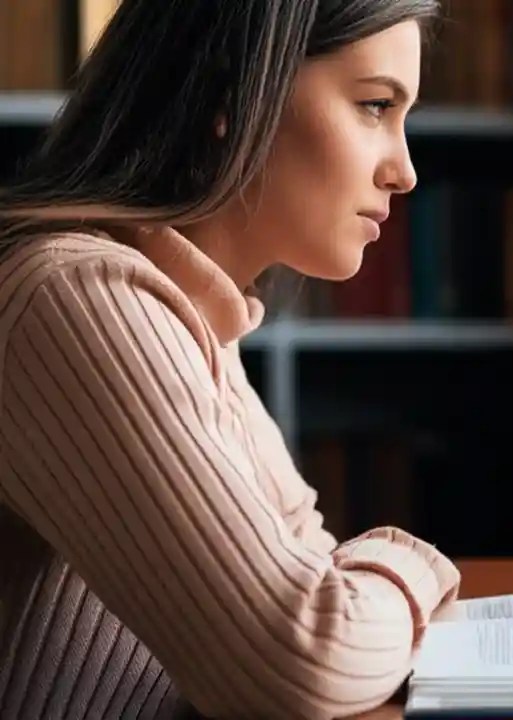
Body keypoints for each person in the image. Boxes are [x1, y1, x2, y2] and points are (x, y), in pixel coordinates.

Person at [0, 2, 462, 718]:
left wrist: (358, 592)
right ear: (233, 96)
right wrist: (420, 566)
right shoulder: (79, 296)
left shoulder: (194, 315)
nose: (403, 171)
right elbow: (304, 654)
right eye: (374, 106)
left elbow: (318, 576)